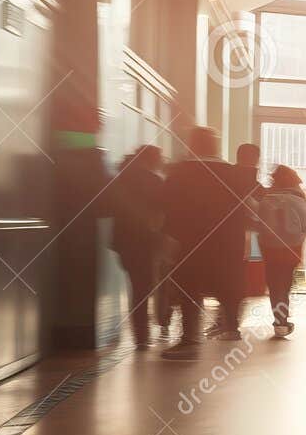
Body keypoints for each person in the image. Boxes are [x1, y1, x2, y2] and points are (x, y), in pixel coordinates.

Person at [160, 127, 250, 360]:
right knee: (226, 284)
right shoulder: (234, 174)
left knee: (189, 289)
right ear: (215, 146)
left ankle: (189, 339)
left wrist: (169, 238)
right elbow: (246, 210)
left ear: (192, 144)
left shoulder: (180, 172)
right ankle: (231, 326)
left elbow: (168, 208)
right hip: (228, 243)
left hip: (190, 242)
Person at [109, 145, 167, 350]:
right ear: (151, 159)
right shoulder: (154, 181)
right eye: (160, 157)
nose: (162, 161)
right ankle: (142, 335)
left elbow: (111, 206)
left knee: (138, 287)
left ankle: (141, 334)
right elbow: (163, 209)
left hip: (124, 241)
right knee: (144, 287)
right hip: (145, 241)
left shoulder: (121, 177)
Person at [257, 165, 306, 338]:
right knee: (285, 283)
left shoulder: (266, 200)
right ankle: (282, 320)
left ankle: (279, 320)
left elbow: (258, 224)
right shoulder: (298, 200)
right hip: (291, 249)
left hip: (269, 248)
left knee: (274, 285)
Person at [213, 142, 263, 341]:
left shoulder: (225, 175)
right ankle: (230, 322)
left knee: (226, 277)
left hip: (224, 235)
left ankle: (226, 320)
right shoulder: (251, 180)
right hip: (244, 236)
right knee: (237, 278)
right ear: (255, 158)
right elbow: (258, 207)